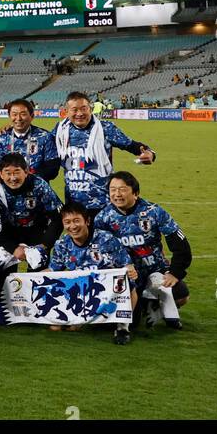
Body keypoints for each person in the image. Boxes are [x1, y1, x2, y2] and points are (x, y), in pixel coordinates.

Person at [95, 172, 191, 330]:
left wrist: (175, 272)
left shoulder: (154, 212)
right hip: (128, 276)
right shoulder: (103, 218)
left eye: (122, 189)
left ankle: (155, 302)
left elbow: (180, 245)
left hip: (156, 269)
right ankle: (145, 303)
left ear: (136, 193)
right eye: (113, 189)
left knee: (181, 295)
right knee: (132, 322)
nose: (117, 194)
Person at [49, 201, 138, 344]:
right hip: (80, 292)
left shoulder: (106, 239)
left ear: (87, 221)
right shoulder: (61, 245)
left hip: (108, 292)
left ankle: (123, 327)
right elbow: (52, 271)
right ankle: (81, 318)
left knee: (128, 283)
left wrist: (131, 270)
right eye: (67, 222)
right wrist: (26, 280)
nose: (72, 226)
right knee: (56, 328)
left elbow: (126, 264)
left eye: (77, 221)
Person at [55, 92, 156, 212]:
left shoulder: (105, 128)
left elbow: (132, 145)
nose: (80, 113)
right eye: (74, 110)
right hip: (73, 206)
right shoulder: (60, 130)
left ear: (90, 109)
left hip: (103, 205)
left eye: (84, 108)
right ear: (66, 111)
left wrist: (150, 154)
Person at [0, 153, 63, 311]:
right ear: (0, 174)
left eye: (17, 172)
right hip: (8, 232)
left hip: (35, 230)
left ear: (27, 171)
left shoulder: (39, 185)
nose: (13, 178)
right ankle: (6, 303)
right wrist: (12, 248)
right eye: (8, 173)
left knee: (39, 262)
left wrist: (44, 245)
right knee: (1, 260)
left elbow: (57, 218)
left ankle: (38, 305)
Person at [0, 99, 59, 180]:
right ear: (9, 116)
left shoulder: (45, 136)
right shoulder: (2, 137)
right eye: (14, 114)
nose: (18, 118)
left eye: (23, 114)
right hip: (8, 189)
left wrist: (27, 179)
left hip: (36, 189)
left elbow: (52, 169)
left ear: (32, 116)